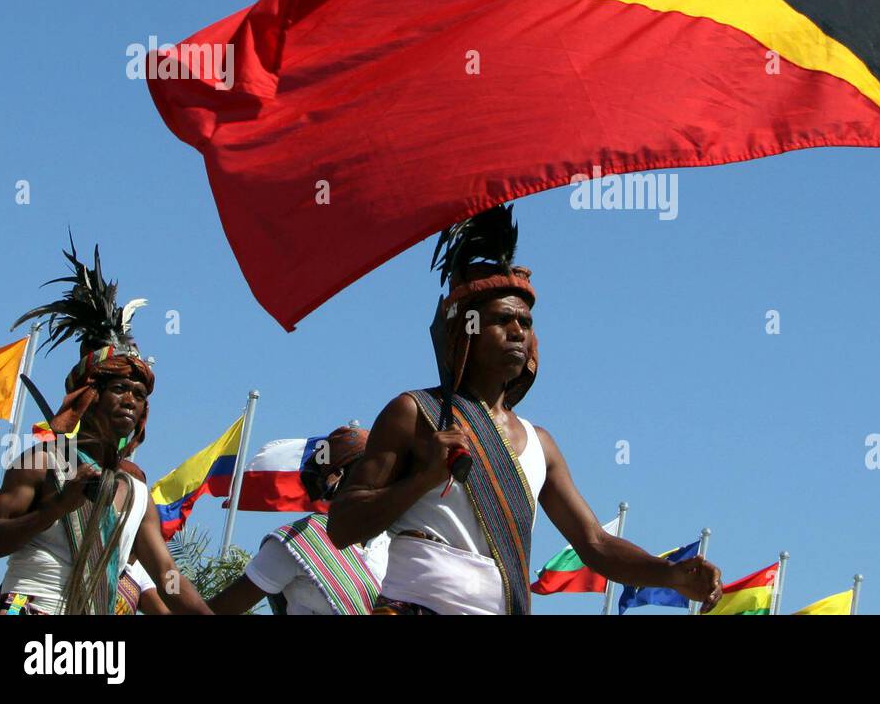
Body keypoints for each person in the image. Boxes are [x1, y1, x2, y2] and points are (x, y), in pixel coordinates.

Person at [328, 205, 723, 615]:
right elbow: (342, 527)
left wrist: (671, 574)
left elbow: (595, 543)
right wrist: (424, 479)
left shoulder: (541, 444)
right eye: (502, 320)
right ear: (467, 330)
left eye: (526, 322)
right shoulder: (414, 414)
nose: (518, 331)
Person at [0, 240, 209, 615]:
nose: (132, 400)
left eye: (139, 393)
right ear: (88, 397)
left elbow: (167, 574)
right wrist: (57, 508)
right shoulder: (40, 462)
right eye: (120, 389)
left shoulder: (135, 491)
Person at [209, 426, 389, 614]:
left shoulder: (395, 542)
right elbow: (220, 609)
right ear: (337, 479)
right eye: (374, 469)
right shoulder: (296, 542)